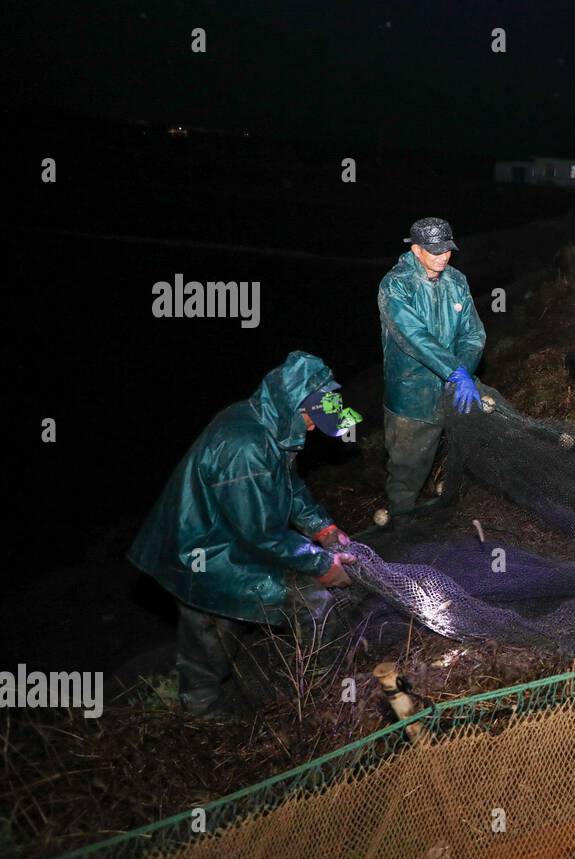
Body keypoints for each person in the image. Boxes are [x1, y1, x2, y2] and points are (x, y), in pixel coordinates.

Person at [128, 351, 362, 717]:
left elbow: (288, 486)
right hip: (202, 553)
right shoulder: (247, 446)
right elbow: (263, 535)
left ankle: (193, 693)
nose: (316, 427)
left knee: (216, 629)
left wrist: (322, 527)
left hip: (228, 537)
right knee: (235, 625)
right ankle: (203, 715)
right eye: (312, 418)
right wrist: (322, 564)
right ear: (293, 406)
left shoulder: (271, 422)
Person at [378, 217, 486, 520]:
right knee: (407, 470)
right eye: (434, 250)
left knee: (453, 458)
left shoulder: (457, 280)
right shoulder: (395, 285)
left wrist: (462, 373)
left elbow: (473, 334)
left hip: (455, 390)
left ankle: (444, 515)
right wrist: (454, 370)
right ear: (415, 249)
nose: (443, 256)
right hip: (412, 396)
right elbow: (414, 337)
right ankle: (401, 530)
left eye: (447, 249)